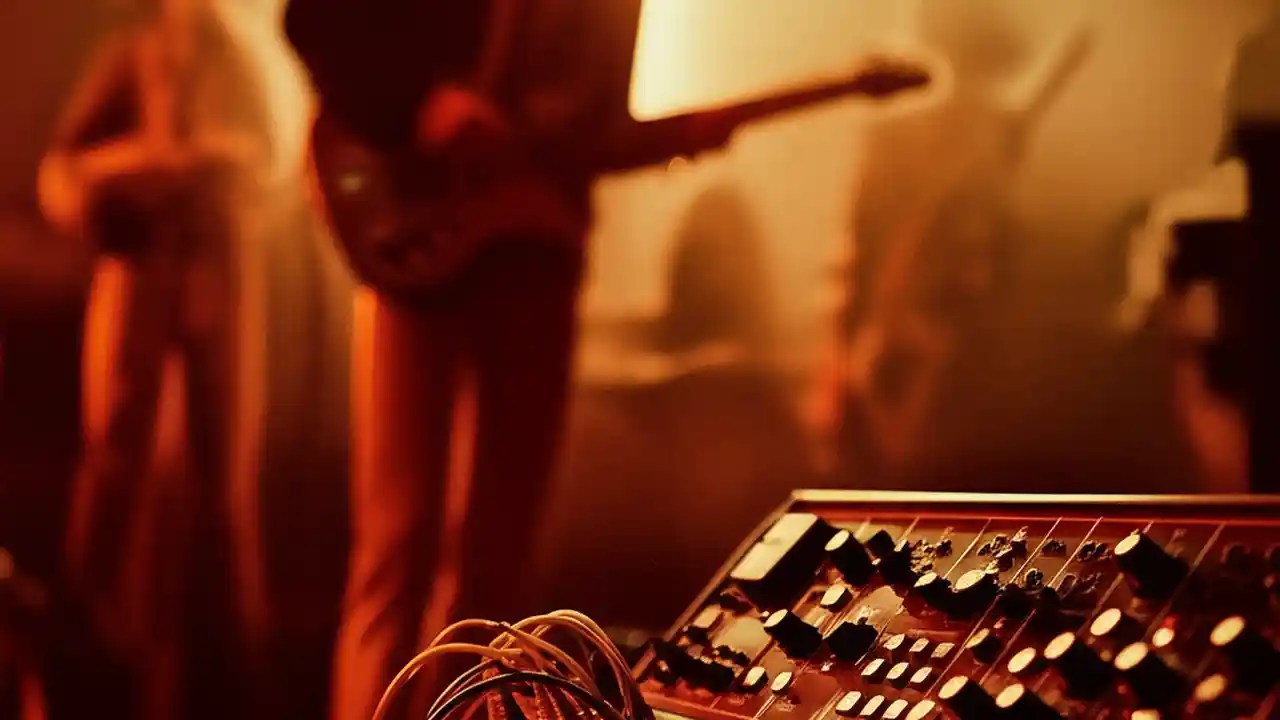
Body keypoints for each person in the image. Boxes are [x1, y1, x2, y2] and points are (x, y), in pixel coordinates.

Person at [282, 2, 743, 719]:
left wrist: (678, 137)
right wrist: (419, 102)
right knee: (399, 551)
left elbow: (583, 135)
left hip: (534, 256)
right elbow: (318, 19)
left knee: (493, 563)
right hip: (420, 252)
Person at [37, 0, 271, 716]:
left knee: (221, 485)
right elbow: (63, 173)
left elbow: (265, 163)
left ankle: (223, 675)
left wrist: (208, 168)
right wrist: (131, 171)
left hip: (214, 279)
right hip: (140, 277)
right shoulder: (128, 54)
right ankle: (88, 661)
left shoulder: (233, 59)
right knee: (116, 463)